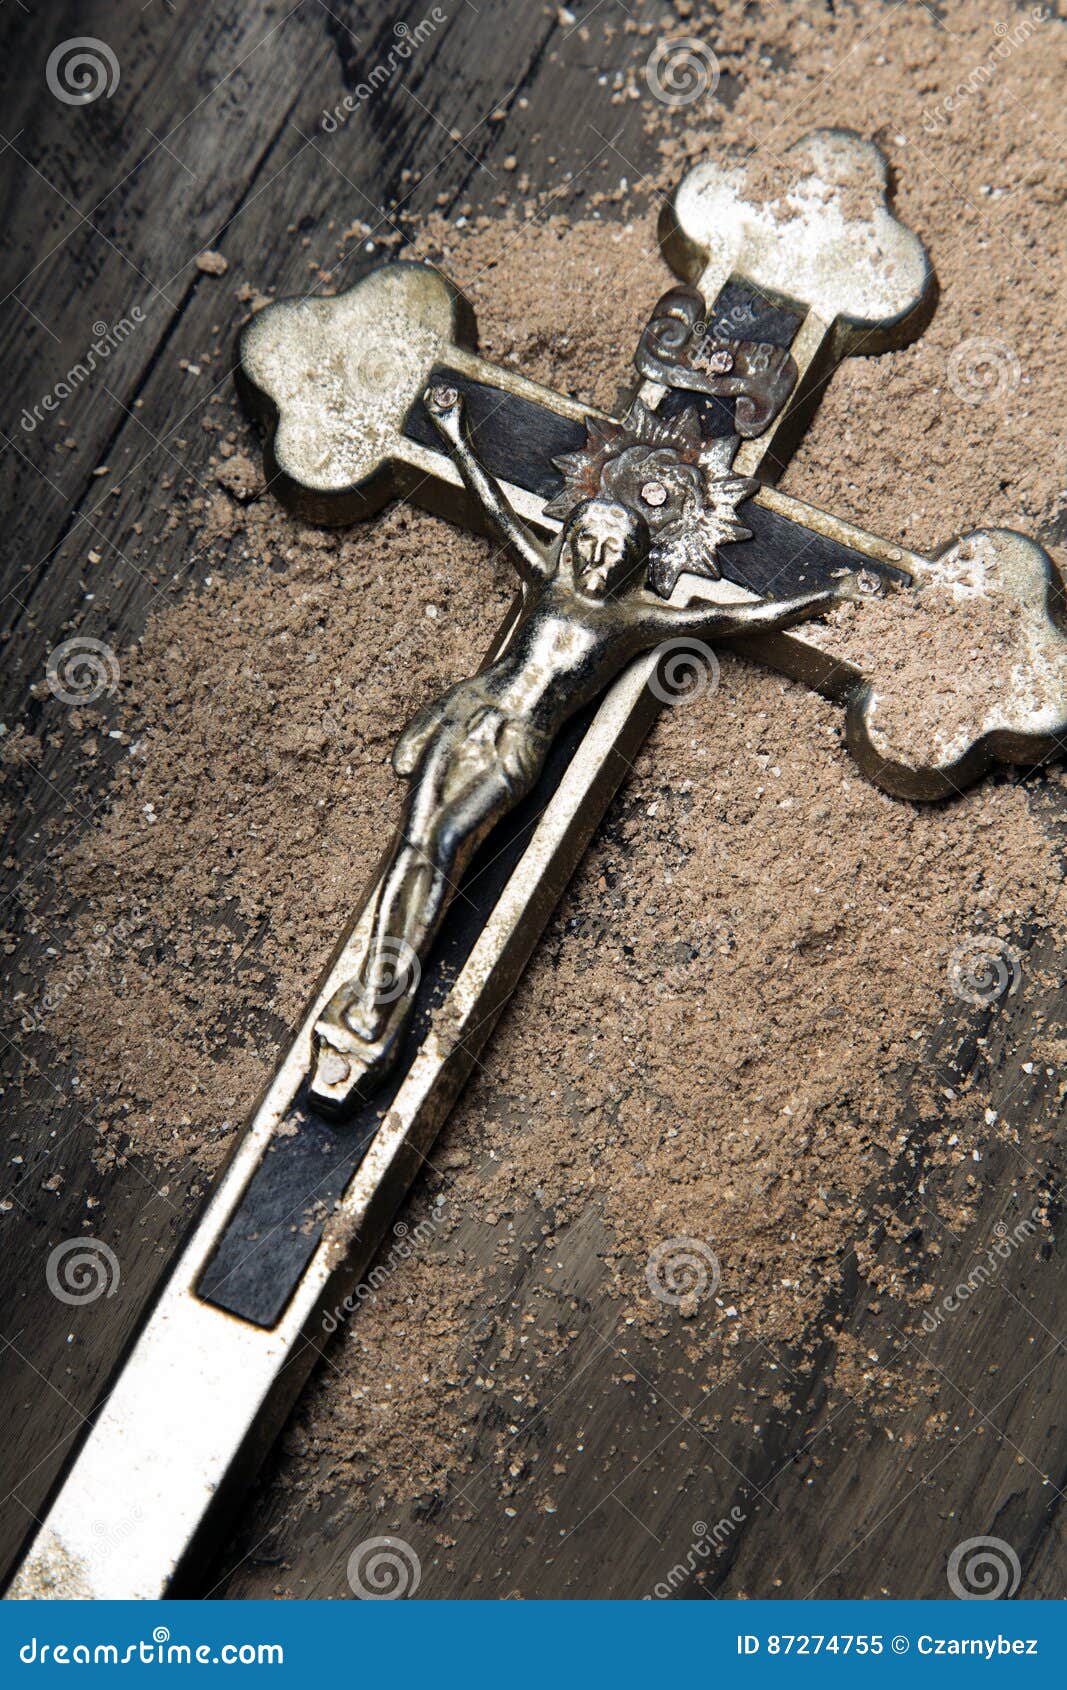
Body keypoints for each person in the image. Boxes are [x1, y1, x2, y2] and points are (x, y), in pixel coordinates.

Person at [309, 385, 868, 1112]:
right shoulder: (548, 578)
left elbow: (737, 618)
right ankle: (366, 1002)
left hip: (515, 743)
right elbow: (494, 508)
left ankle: (383, 1004)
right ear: (571, 542)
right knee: (412, 845)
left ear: (637, 559)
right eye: (588, 544)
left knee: (444, 848)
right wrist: (451, 431)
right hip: (468, 713)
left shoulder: (632, 620)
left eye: (615, 551)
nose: (597, 561)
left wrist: (822, 597)